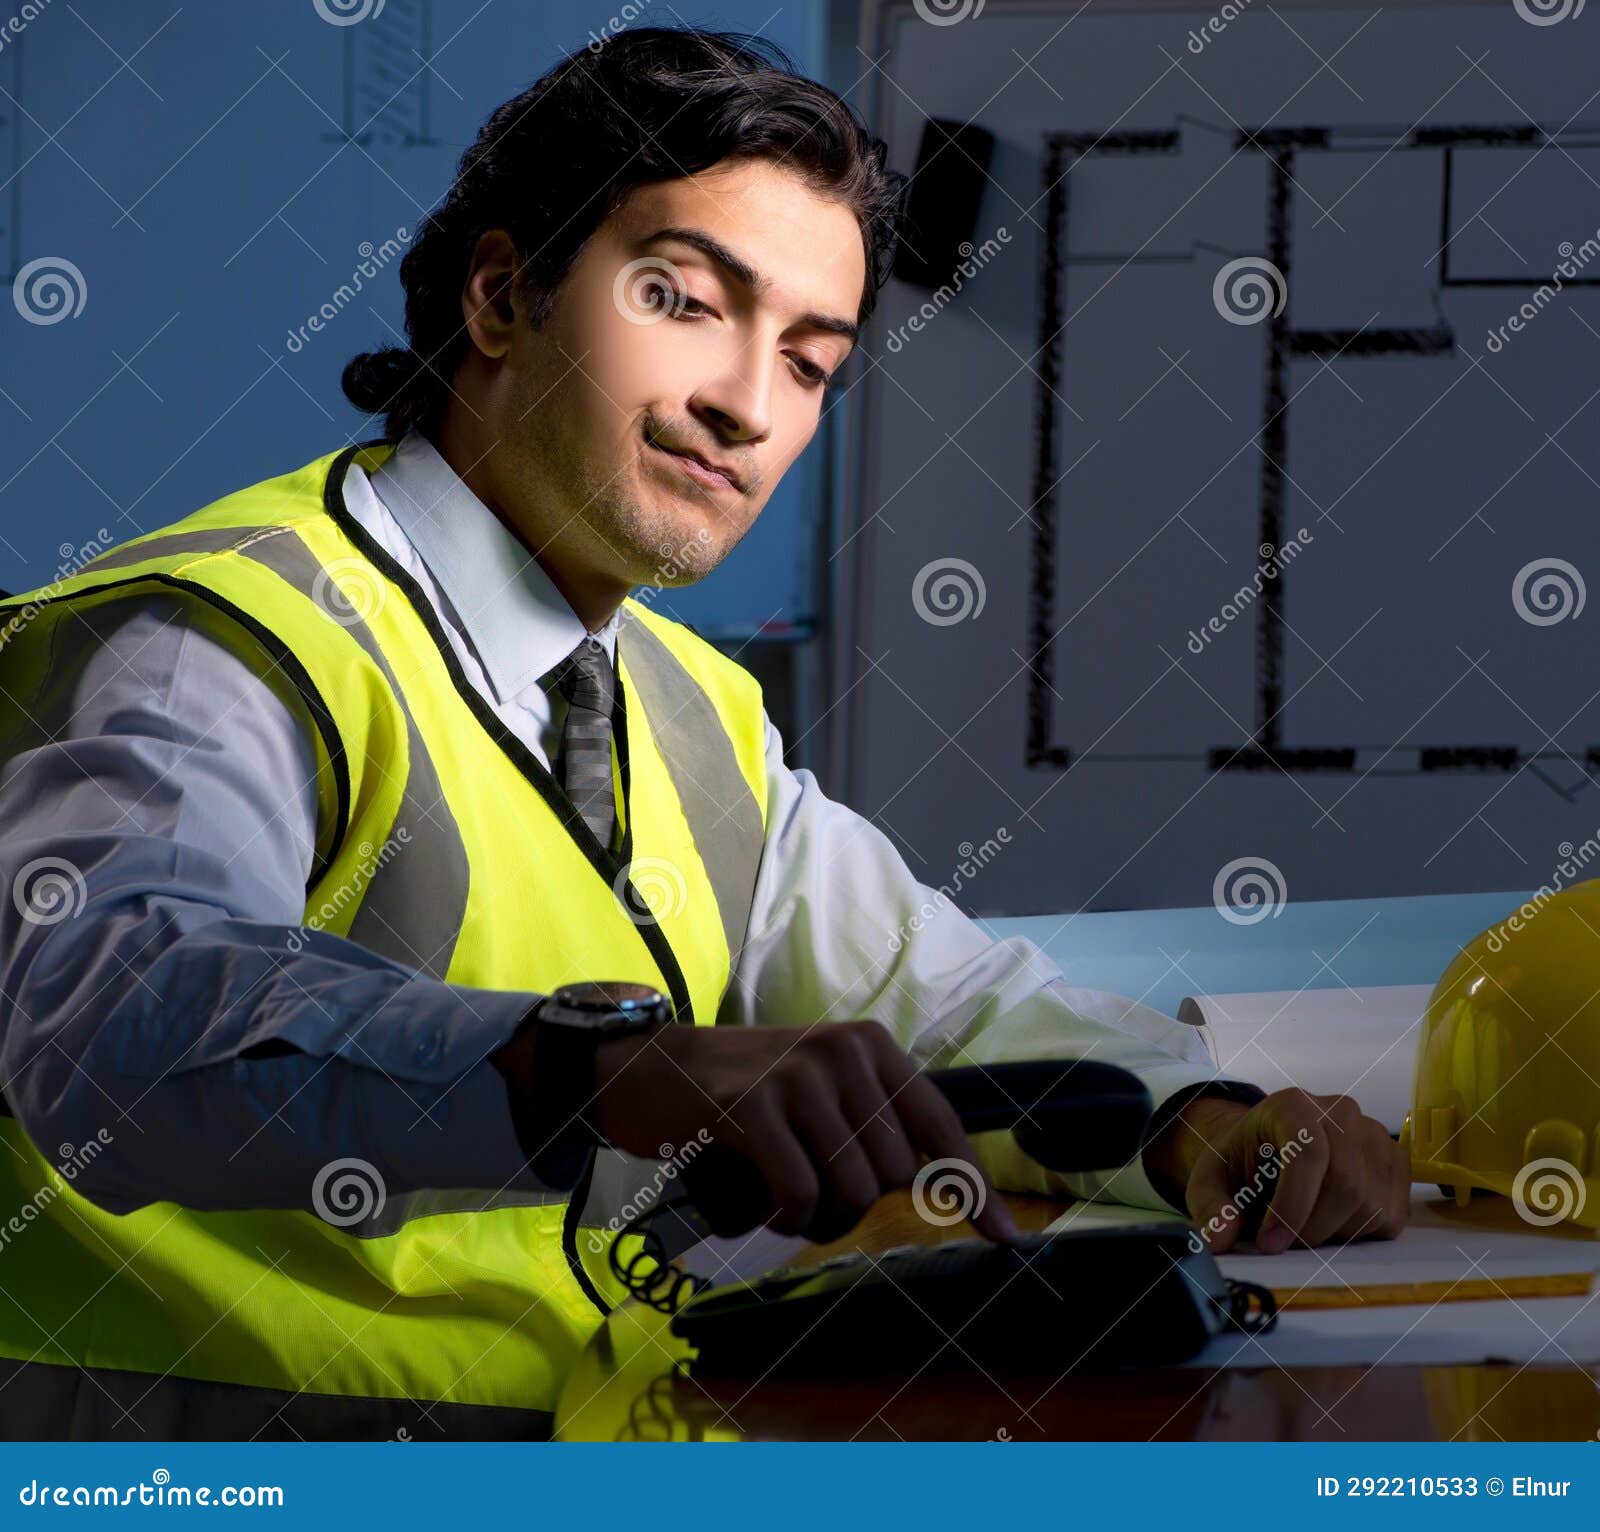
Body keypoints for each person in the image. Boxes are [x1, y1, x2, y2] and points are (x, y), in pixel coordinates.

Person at [0, 26, 1408, 1441]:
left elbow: (929, 1002)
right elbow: (111, 1034)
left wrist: (1193, 1120)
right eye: (682, 299)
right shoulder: (214, 639)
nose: (746, 404)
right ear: (501, 297)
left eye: (808, 361)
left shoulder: (681, 704)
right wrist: (596, 1074)